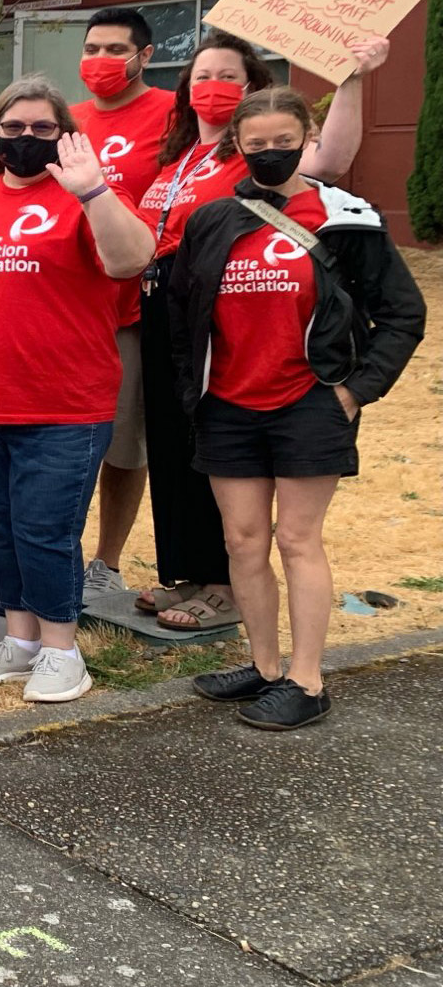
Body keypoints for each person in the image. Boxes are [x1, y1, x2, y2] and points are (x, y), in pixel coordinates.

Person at [168, 88, 424, 729]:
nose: (271, 154)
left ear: (308, 136)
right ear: (238, 147)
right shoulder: (212, 219)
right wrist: (190, 387)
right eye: (256, 145)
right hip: (227, 403)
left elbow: (402, 314)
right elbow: (182, 308)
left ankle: (307, 682)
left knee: (296, 539)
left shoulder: (346, 217)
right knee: (242, 541)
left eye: (285, 142)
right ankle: (264, 667)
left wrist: (354, 390)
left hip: (309, 402)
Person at [135, 29, 385, 632]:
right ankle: (188, 572)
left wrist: (350, 80)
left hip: (232, 309)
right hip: (165, 305)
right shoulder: (179, 156)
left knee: (213, 447)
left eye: (226, 76)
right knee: (173, 447)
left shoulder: (251, 154)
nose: (210, 87)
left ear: (251, 89)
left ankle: (223, 584)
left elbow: (334, 160)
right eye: (201, 75)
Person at [0, 77, 154, 705]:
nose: (26, 139)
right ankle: (22, 639)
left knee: (45, 529)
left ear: (65, 136)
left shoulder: (87, 195)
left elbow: (131, 259)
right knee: (1, 525)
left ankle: (63, 649)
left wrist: (93, 191)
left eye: (42, 129)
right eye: (14, 128)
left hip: (64, 402)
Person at [66, 9, 175, 600]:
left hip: (132, 306)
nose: (99, 61)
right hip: (65, 304)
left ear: (146, 55)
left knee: (124, 442)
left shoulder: (172, 115)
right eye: (91, 48)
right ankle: (50, 550)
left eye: (115, 49)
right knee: (56, 437)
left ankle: (105, 563)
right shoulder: (67, 120)